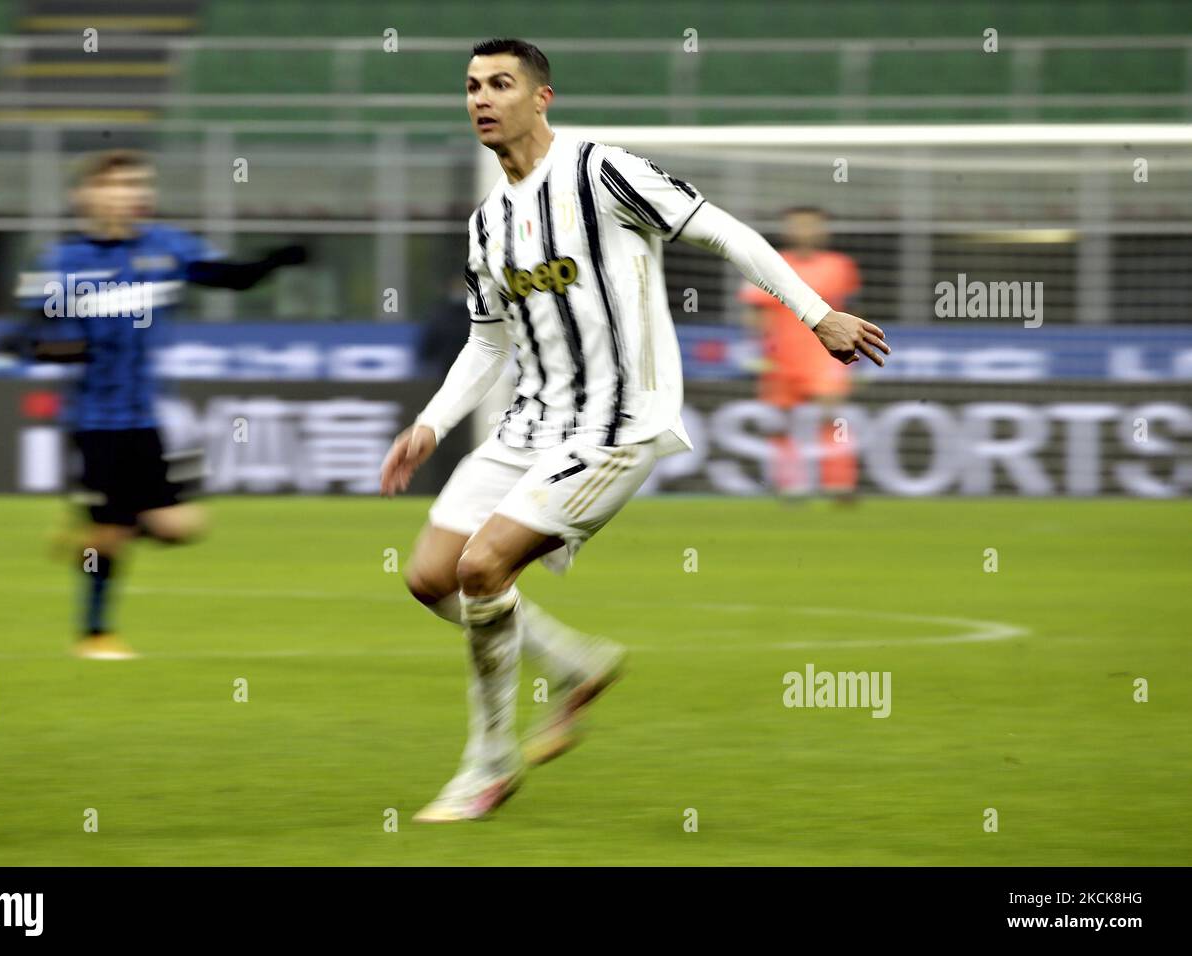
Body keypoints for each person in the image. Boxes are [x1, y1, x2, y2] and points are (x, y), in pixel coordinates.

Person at [380, 38, 888, 821]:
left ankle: (488, 762)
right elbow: (489, 343)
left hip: (618, 425)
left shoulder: (601, 171)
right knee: (428, 577)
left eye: (501, 84)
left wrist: (816, 315)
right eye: (473, 85)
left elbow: (724, 232)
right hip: (529, 427)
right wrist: (432, 423)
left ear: (541, 97)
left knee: (484, 569)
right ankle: (575, 664)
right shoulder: (488, 225)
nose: (482, 98)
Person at [10, 149, 306, 659]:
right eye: (116, 184)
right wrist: (72, 347)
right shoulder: (63, 262)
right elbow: (22, 340)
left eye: (135, 184)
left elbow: (229, 277)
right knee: (116, 533)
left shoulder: (165, 248)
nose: (129, 194)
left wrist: (278, 258)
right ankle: (95, 634)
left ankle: (88, 535)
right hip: (95, 419)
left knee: (181, 527)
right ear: (85, 196)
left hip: (147, 415)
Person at [737, 206, 863, 498]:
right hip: (782, 358)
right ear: (787, 229)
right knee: (782, 421)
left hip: (825, 356)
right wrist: (762, 348)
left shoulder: (840, 265)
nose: (804, 231)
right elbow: (754, 313)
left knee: (830, 416)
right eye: (798, 225)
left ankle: (839, 484)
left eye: (811, 225)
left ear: (823, 230)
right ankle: (791, 485)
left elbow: (852, 311)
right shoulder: (769, 263)